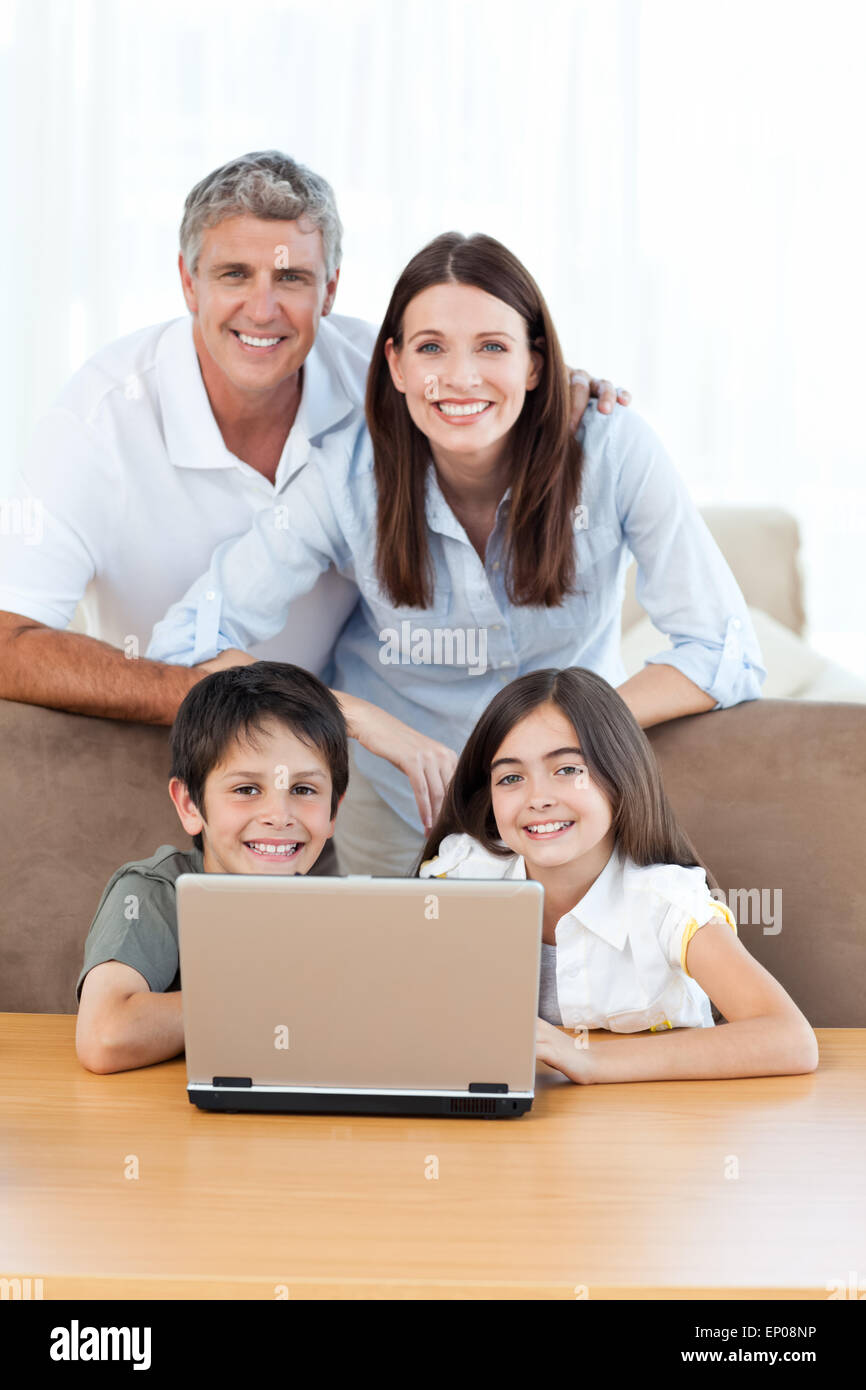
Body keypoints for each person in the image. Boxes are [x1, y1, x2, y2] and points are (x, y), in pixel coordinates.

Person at [147, 231, 765, 876]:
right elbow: (187, 637)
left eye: (493, 347)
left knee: (561, 973)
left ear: (534, 362)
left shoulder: (614, 451)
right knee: (409, 976)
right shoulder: (347, 475)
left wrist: (565, 731)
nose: (461, 377)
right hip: (399, 801)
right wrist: (361, 721)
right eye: (432, 348)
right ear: (396, 364)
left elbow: (724, 651)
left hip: (561, 794)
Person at [0, 151, 619, 728]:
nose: (263, 309)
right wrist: (216, 697)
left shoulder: (384, 378)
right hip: (170, 731)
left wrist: (559, 397)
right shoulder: (96, 423)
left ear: (330, 290)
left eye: (292, 277)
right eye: (234, 274)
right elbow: (8, 644)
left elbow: (481, 377)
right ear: (189, 283)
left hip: (352, 755)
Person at [417, 666, 818, 1084]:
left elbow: (789, 1038)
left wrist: (589, 1062)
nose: (538, 799)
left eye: (568, 770)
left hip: (660, 1128)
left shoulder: (668, 904)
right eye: (511, 778)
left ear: (619, 775)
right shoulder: (461, 876)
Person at [75, 662, 348, 1075]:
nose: (279, 815)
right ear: (190, 805)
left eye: (303, 790)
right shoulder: (151, 892)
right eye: (246, 789)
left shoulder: (346, 910)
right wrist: (270, 997)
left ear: (332, 812)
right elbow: (105, 1035)